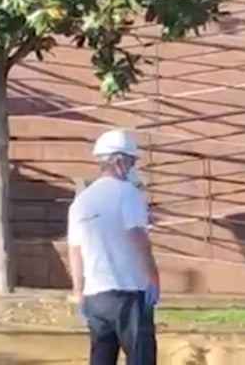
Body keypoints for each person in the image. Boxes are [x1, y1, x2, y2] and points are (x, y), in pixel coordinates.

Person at [67, 128, 159, 365]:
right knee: (141, 357)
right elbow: (138, 236)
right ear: (119, 160)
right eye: (131, 161)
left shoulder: (81, 202)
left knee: (101, 358)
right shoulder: (128, 194)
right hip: (128, 292)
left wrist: (79, 292)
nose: (132, 166)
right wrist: (153, 277)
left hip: (95, 297)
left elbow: (75, 251)